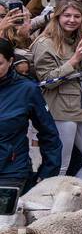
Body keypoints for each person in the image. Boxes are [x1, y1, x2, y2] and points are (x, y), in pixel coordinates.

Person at [32, 0, 82, 182]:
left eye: (77, 16)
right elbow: (46, 80)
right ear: (57, 17)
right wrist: (74, 60)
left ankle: (71, 198)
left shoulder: (78, 40)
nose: (72, 20)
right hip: (61, 108)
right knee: (61, 165)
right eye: (67, 15)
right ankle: (50, 207)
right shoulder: (44, 43)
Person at [0, 37, 62, 192]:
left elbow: (49, 133)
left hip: (10, 173)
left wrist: (47, 173)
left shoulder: (27, 90)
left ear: (10, 61)